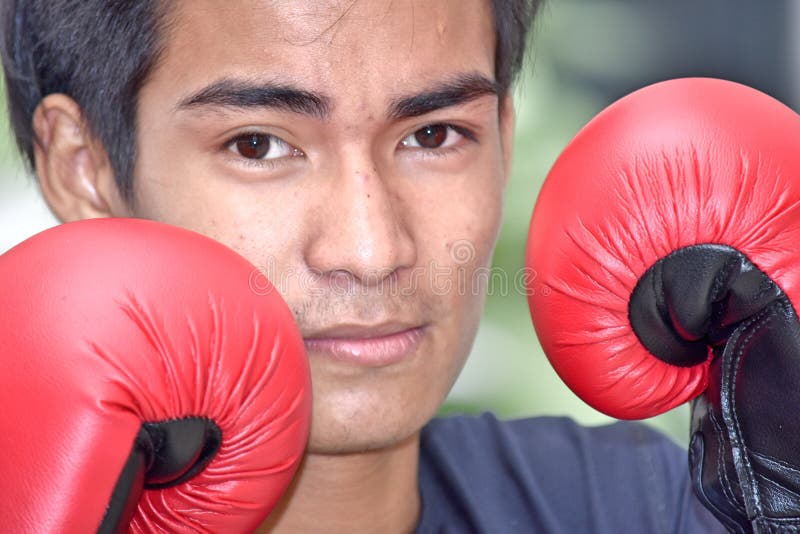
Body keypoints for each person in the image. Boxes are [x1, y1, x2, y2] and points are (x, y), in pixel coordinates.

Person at [1, 1, 724, 532]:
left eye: (434, 135)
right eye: (258, 145)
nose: (372, 251)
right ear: (84, 167)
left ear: (504, 136)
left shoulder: (634, 507)